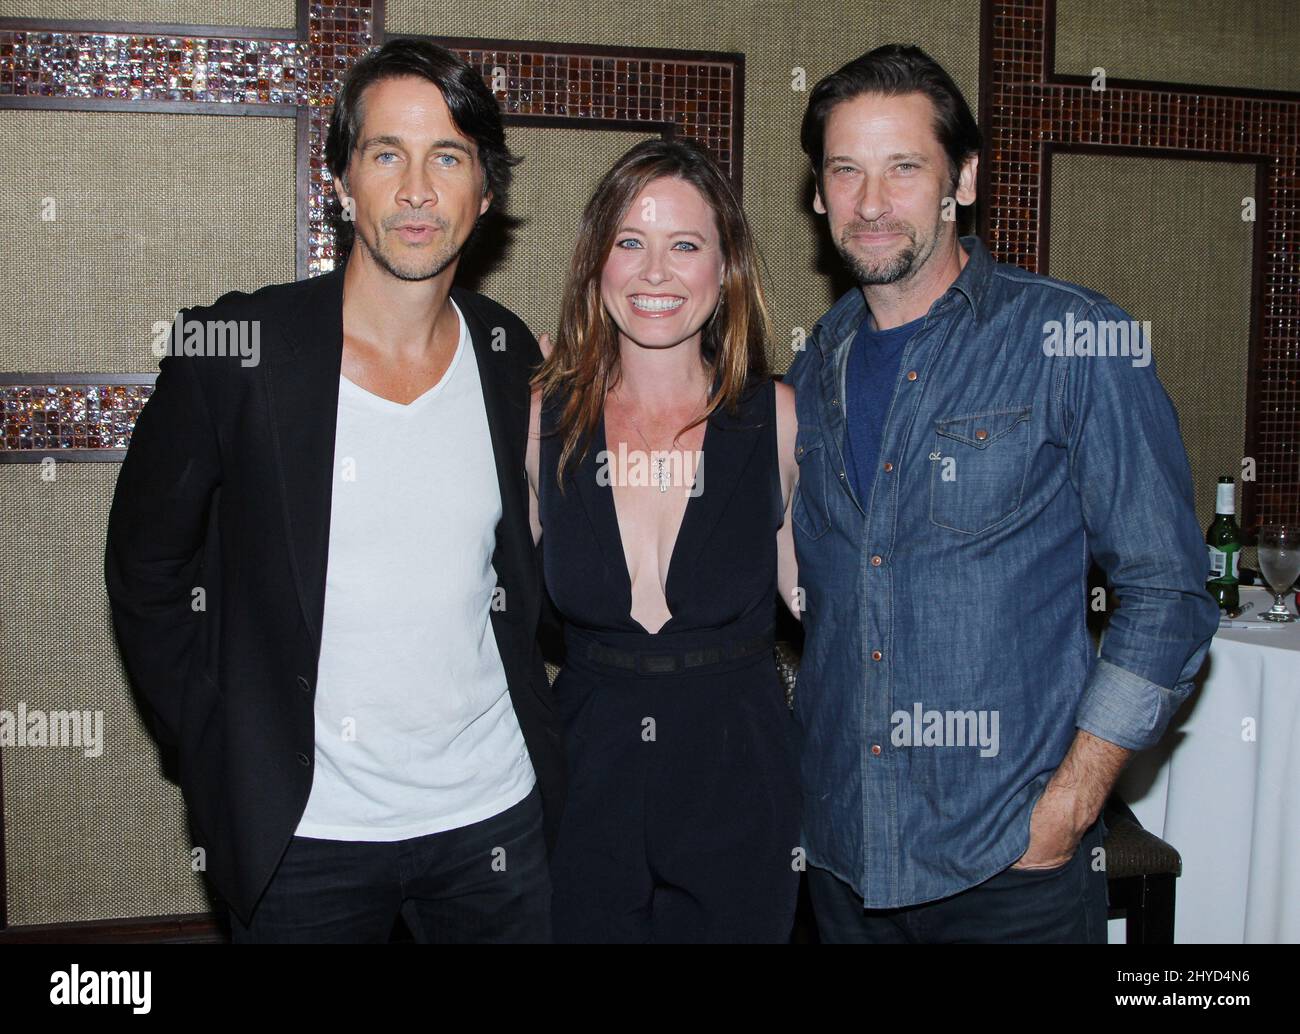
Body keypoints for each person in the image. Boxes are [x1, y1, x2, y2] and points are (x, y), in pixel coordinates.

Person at [104, 38, 562, 943]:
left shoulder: (510, 355)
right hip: (304, 838)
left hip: (492, 824)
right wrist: (211, 743)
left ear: (485, 191)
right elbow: (145, 572)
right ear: (344, 184)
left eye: (449, 157)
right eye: (387, 153)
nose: (418, 189)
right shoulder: (235, 352)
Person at [785, 44, 1219, 943]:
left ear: (964, 180)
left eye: (904, 168)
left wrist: (1071, 802)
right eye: (847, 171)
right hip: (841, 857)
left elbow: (1170, 595)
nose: (872, 203)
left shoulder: (1076, 338)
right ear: (819, 193)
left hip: (1006, 869)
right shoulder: (817, 360)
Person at [525, 138, 802, 942]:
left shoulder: (779, 419)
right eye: (630, 243)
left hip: (740, 774)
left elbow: (834, 605)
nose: (655, 273)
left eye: (685, 245)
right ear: (595, 263)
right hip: (582, 775)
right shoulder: (540, 420)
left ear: (726, 272)